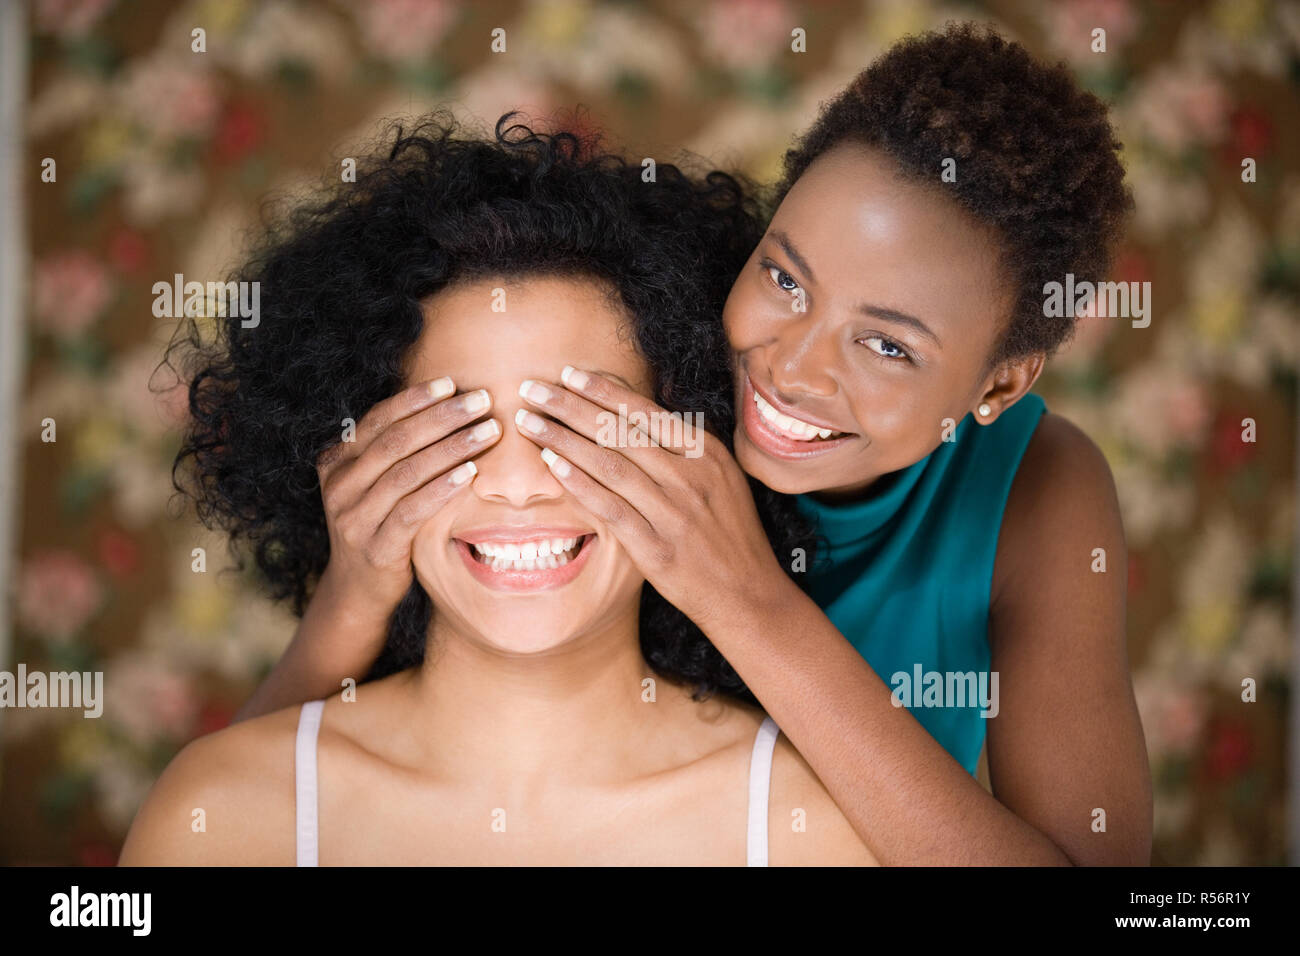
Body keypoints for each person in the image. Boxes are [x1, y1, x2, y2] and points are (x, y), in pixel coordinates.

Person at [236, 24, 1153, 865]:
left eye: (886, 344)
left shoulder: (1039, 489)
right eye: (786, 277)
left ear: (998, 383)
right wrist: (350, 601)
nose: (791, 368)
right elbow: (263, 807)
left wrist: (747, 599)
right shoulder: (657, 356)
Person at [119, 116, 876, 865]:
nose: (517, 487)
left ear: (695, 449)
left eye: (575, 425)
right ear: (359, 461)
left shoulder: (807, 827)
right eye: (458, 428)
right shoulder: (221, 814)